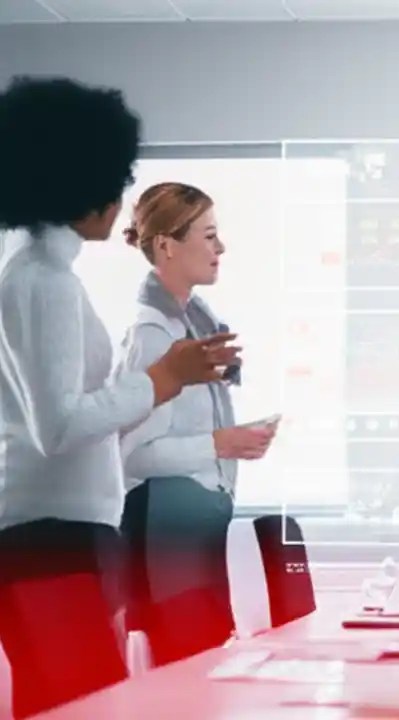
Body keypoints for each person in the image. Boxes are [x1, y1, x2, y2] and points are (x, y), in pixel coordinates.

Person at [0, 77, 238, 717]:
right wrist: (165, 377)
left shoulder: (42, 272)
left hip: (66, 537)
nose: (121, 196)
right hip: (52, 542)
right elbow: (58, 427)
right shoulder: (42, 279)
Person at [115, 182, 278, 666]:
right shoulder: (153, 335)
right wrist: (221, 443)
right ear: (167, 245)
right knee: (189, 669)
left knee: (206, 662)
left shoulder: (192, 325)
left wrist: (231, 442)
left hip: (194, 524)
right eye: (208, 236)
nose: (220, 248)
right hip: (166, 530)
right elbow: (135, 454)